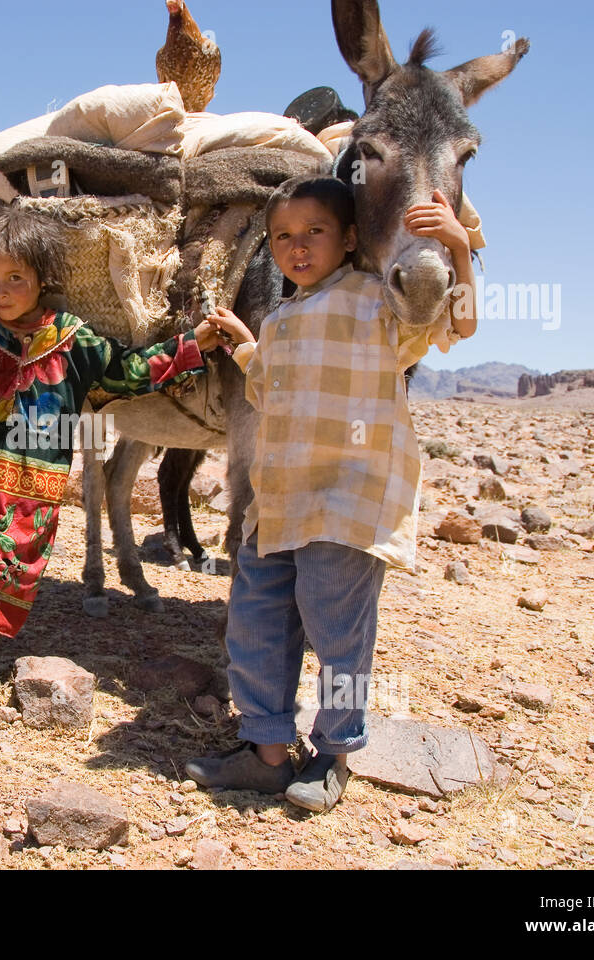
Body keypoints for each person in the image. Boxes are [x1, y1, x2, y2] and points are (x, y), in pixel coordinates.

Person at [185, 174, 478, 812]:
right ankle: (265, 752)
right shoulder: (282, 317)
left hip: (348, 502)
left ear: (348, 238)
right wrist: (245, 346)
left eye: (314, 231)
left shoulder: (380, 302)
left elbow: (457, 325)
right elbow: (270, 391)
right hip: (279, 502)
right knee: (254, 623)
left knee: (337, 629)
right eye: (283, 236)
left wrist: (458, 250)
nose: (298, 246)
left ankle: (334, 752)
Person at [0, 204, 251, 701]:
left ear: (42, 278)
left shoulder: (72, 337)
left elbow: (126, 371)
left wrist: (190, 344)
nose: (1, 291)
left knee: (11, 572)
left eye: (15, 278)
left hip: (36, 490)